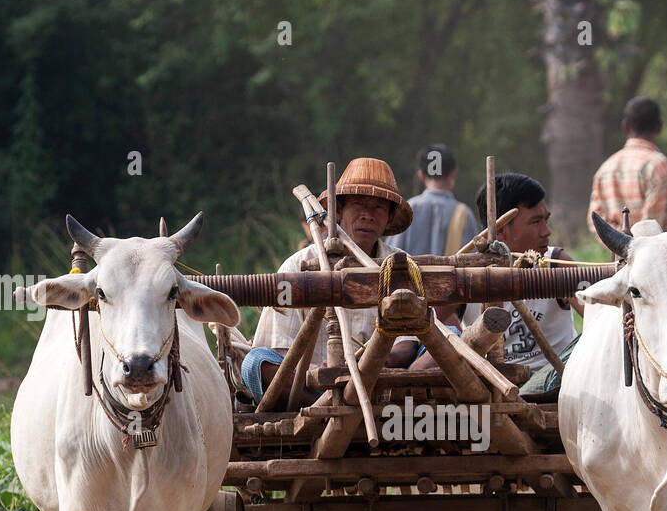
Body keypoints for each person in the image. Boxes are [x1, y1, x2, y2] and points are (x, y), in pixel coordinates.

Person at [244, 157, 421, 407]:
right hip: (313, 392)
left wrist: (365, 365)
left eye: (378, 208)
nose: (367, 216)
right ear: (338, 212)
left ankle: (361, 405)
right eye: (359, 204)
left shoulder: (402, 266)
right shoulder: (299, 266)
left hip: (383, 388)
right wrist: (321, 372)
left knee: (453, 339)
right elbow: (279, 347)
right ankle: (331, 409)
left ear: (390, 219)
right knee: (254, 363)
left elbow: (409, 345)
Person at [462, 173, 583, 395]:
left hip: (558, 382)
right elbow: (436, 323)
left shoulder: (556, 263)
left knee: (588, 343)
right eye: (536, 222)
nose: (547, 231)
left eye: (546, 220)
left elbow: (598, 312)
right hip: (494, 385)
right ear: (500, 230)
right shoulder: (464, 276)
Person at [588, 96, 667, 233]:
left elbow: (594, 220)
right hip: (654, 253)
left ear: (625, 127)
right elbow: (652, 225)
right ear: (660, 126)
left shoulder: (606, 168)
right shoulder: (657, 164)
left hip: (617, 252)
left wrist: (618, 242)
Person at [387, 143, 479, 257]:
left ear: (421, 175)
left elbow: (389, 256)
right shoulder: (465, 214)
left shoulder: (407, 208)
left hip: (410, 275)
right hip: (451, 275)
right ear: (454, 173)